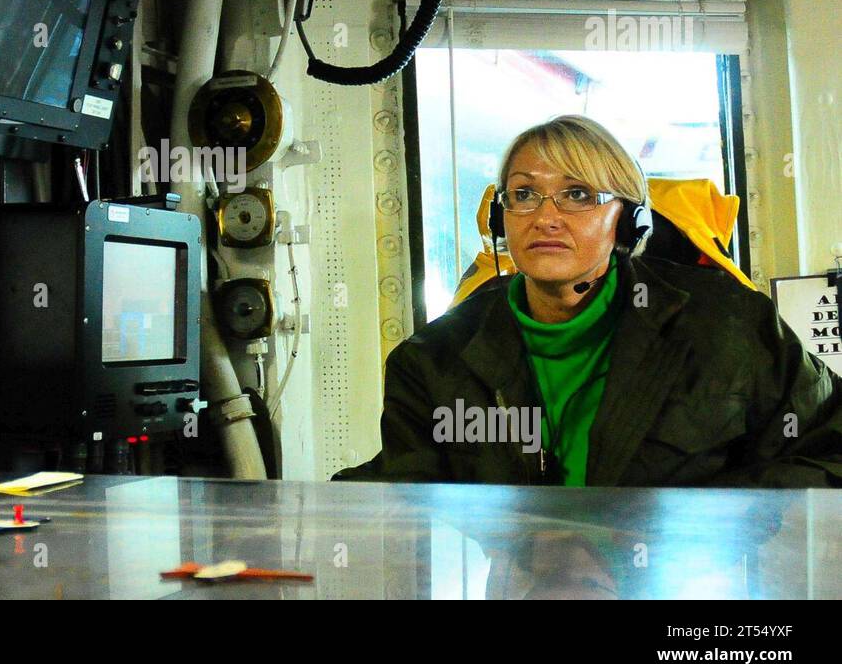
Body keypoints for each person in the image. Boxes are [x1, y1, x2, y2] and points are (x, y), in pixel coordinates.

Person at [341, 115, 842, 487]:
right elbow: (412, 506)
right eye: (524, 194)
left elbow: (830, 446)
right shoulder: (431, 360)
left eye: (578, 195)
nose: (546, 217)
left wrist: (713, 524)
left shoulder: (728, 323)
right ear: (502, 219)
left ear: (628, 222)